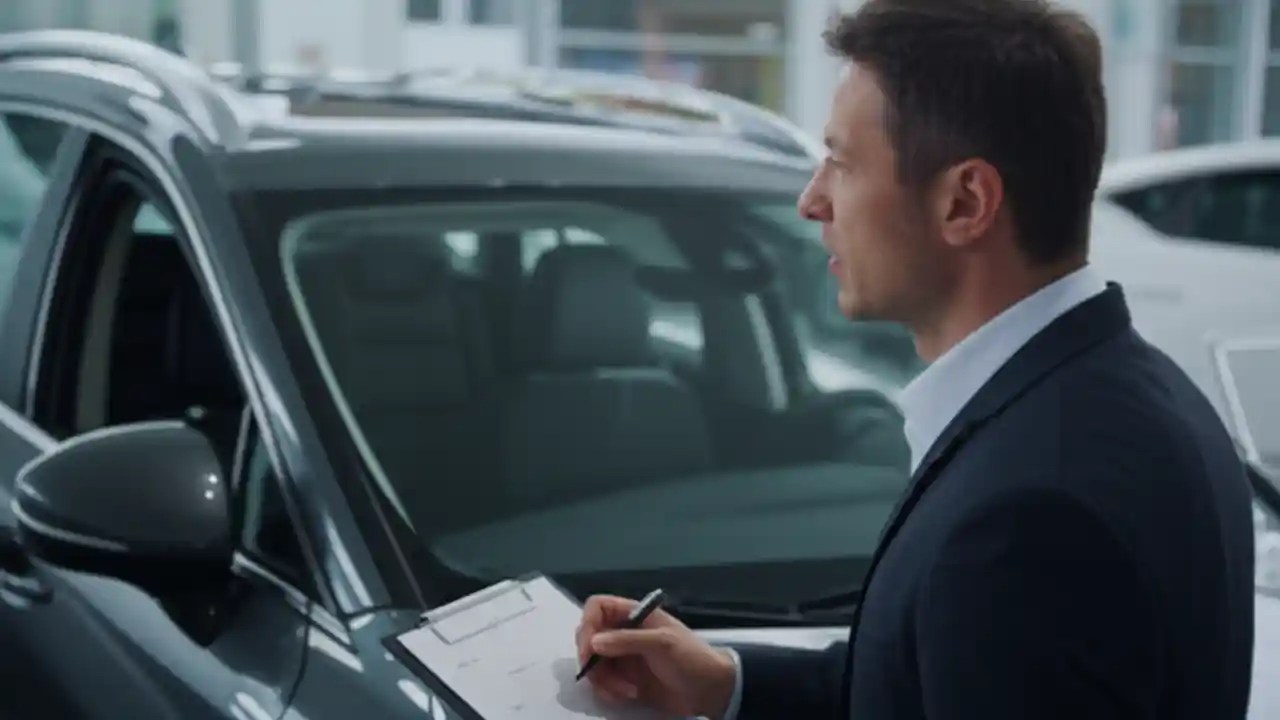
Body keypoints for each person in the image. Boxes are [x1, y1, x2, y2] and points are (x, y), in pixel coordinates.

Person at [574, 1, 1257, 718]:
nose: (811, 201)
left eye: (839, 162)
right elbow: (920, 684)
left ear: (966, 202)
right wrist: (726, 683)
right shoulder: (1140, 397)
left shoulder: (1026, 515)